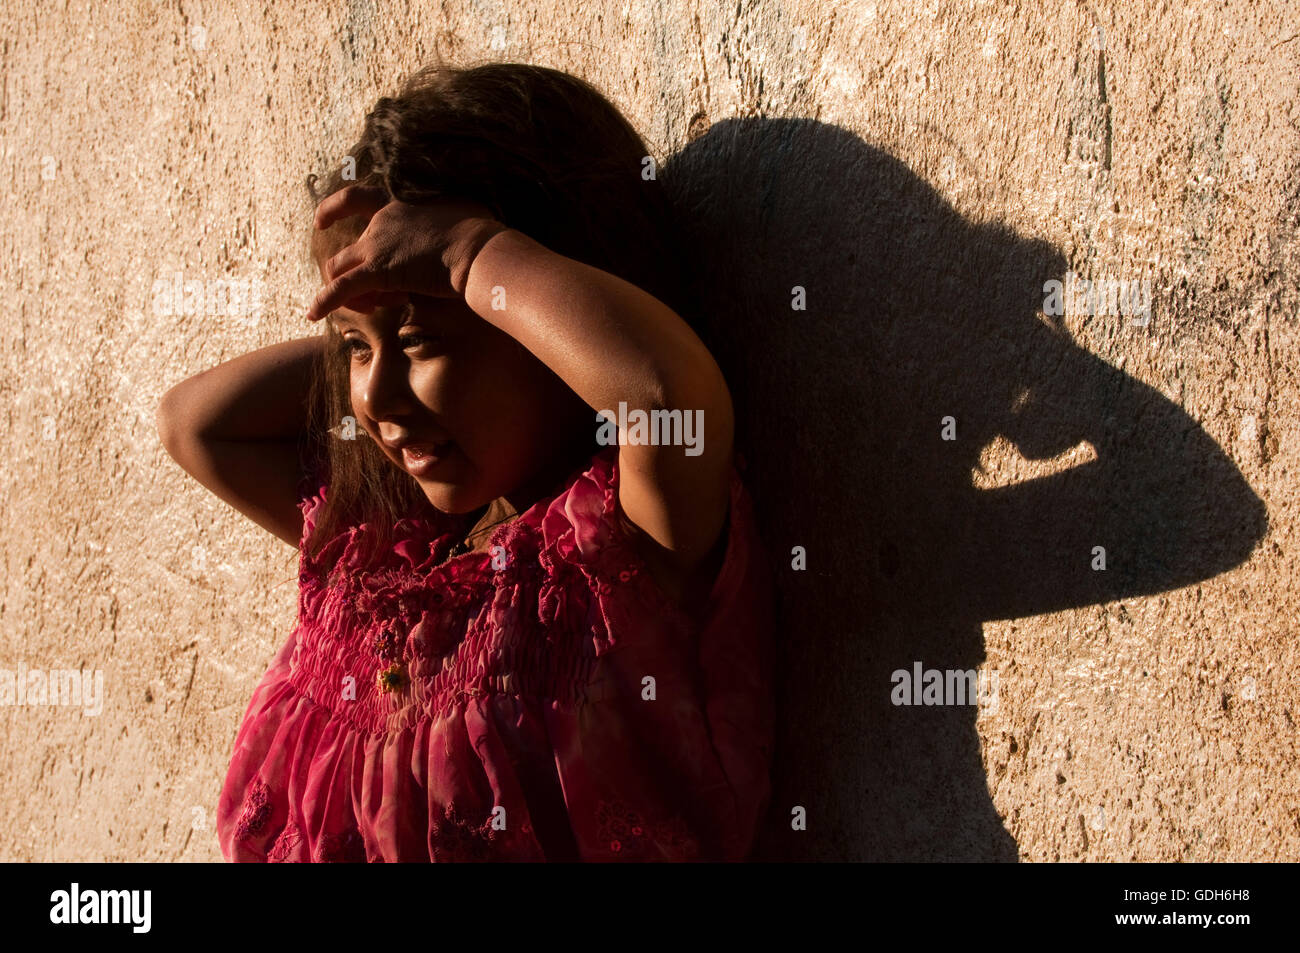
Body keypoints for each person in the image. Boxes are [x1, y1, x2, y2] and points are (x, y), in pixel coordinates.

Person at [158, 60, 774, 861]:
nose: (374, 397)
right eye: (355, 353)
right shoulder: (379, 558)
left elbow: (665, 397)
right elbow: (194, 424)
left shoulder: (615, 554)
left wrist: (469, 255)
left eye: (423, 340)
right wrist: (365, 299)